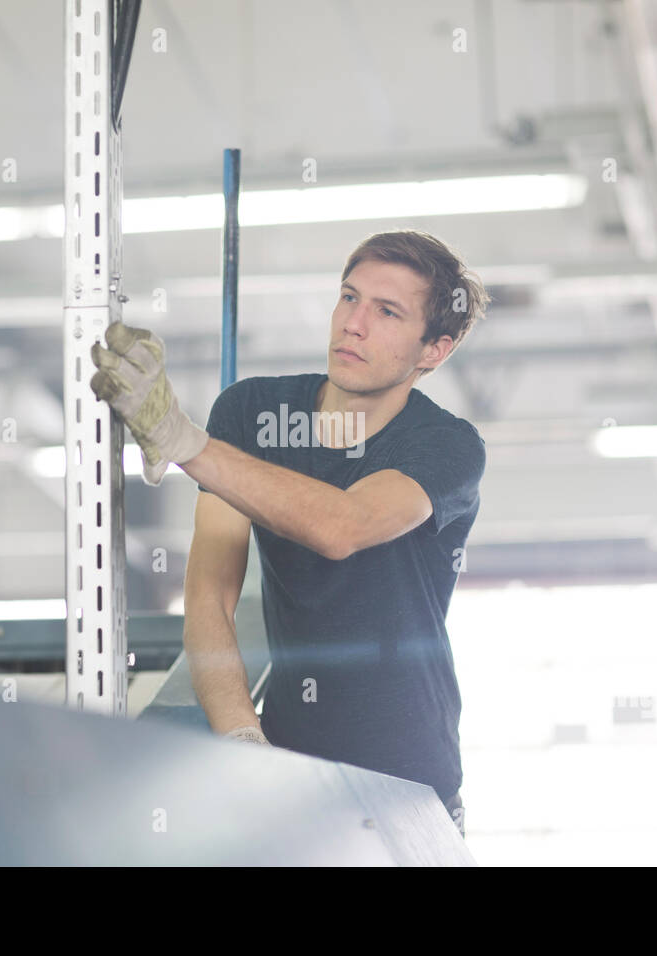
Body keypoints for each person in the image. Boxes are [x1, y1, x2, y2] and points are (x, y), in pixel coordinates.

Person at [90, 230, 488, 840]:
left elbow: (342, 526)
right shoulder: (252, 414)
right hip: (294, 773)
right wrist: (242, 738)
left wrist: (185, 442)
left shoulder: (447, 447)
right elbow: (208, 597)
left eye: (387, 312)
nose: (353, 324)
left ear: (434, 349)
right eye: (348, 297)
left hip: (413, 791)